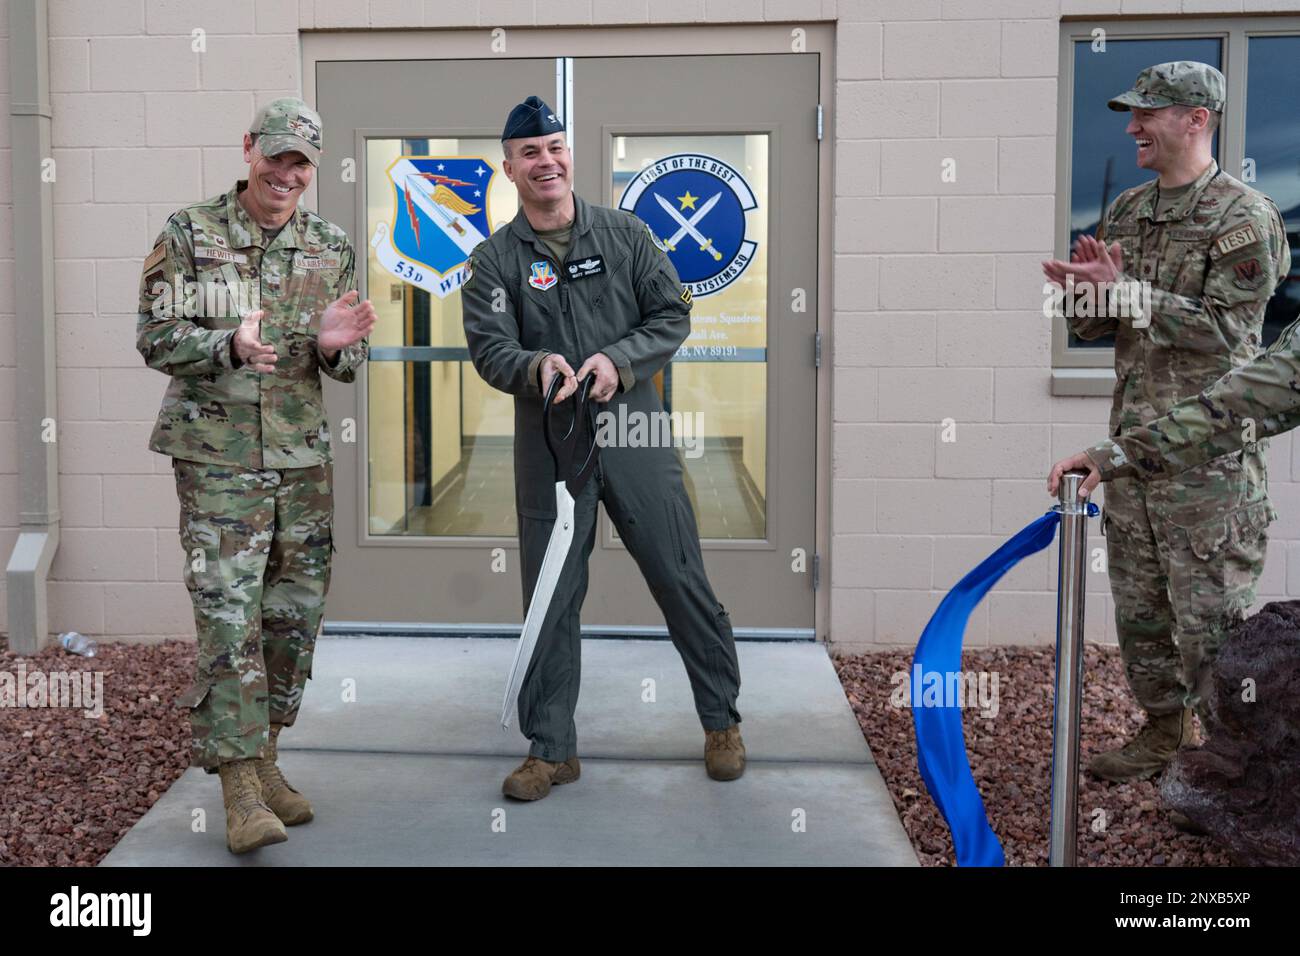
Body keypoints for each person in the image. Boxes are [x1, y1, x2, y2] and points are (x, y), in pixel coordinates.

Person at [462, 96, 744, 801]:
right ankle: (551, 748)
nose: (545, 161)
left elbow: (671, 313)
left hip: (633, 430)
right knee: (551, 594)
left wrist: (619, 361)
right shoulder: (495, 260)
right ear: (510, 167)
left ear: (569, 156)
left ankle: (721, 721)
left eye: (554, 147)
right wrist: (537, 368)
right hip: (550, 442)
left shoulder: (625, 235)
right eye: (530, 152)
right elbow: (490, 348)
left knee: (678, 574)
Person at [1040, 63, 1289, 794]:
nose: (1131, 128)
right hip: (1131, 455)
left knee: (1209, 629)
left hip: (1207, 470)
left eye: (1147, 115)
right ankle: (1163, 733)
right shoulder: (1128, 211)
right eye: (1132, 114)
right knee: (1141, 615)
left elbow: (1226, 337)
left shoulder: (1244, 218)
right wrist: (1088, 297)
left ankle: (1231, 769)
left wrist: (1130, 293)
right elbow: (1098, 323)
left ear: (1195, 119)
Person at [136, 98, 376, 853]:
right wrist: (225, 350)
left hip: (302, 459)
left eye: (301, 162)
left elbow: (346, 357)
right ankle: (239, 788)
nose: (286, 172)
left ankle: (267, 755)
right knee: (229, 617)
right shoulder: (189, 233)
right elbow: (154, 336)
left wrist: (336, 348)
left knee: (293, 614)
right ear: (249, 150)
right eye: (276, 156)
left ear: (314, 168)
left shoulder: (330, 244)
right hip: (217, 461)